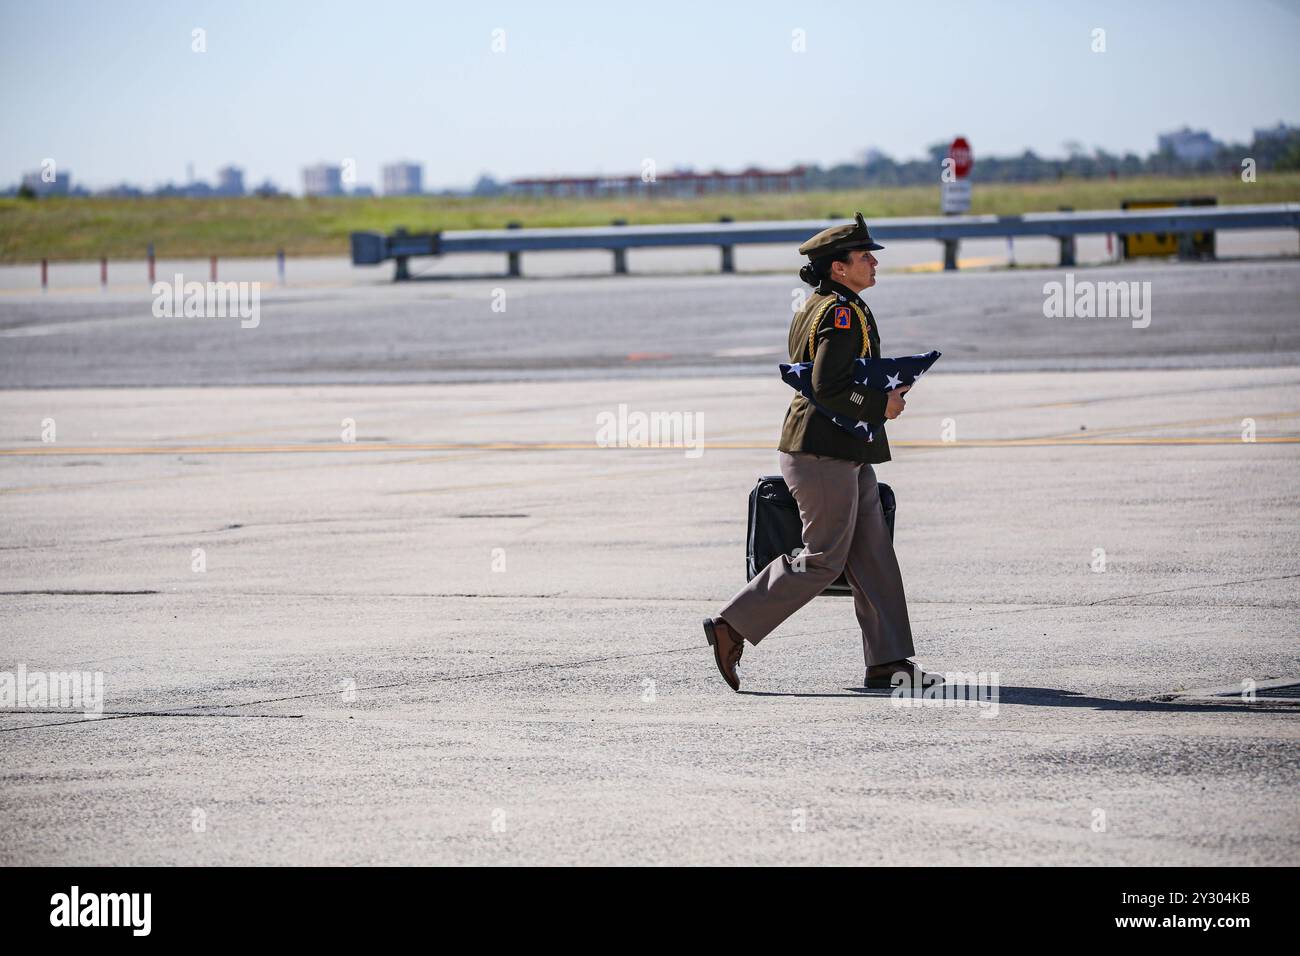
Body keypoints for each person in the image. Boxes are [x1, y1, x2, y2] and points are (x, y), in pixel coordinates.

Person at [703, 213, 940, 692]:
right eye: (864, 256)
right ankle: (732, 624)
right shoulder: (840, 313)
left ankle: (888, 663)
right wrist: (882, 403)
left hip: (845, 449)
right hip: (822, 452)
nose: (873, 262)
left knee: (873, 555)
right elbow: (825, 384)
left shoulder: (825, 305)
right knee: (824, 558)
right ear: (838, 268)